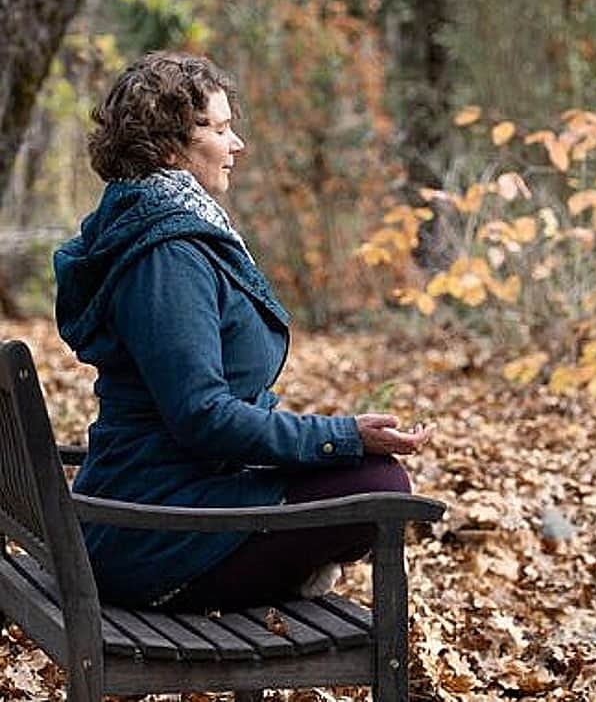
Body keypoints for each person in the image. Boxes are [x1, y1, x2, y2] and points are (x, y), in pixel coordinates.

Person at [53, 51, 433, 612]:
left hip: (161, 499)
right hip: (149, 530)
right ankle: (268, 571)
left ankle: (278, 560)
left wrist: (334, 444)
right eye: (222, 129)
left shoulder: (162, 229)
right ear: (169, 145)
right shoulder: (168, 256)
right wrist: (342, 435)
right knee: (381, 492)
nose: (238, 146)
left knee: (370, 478)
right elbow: (203, 415)